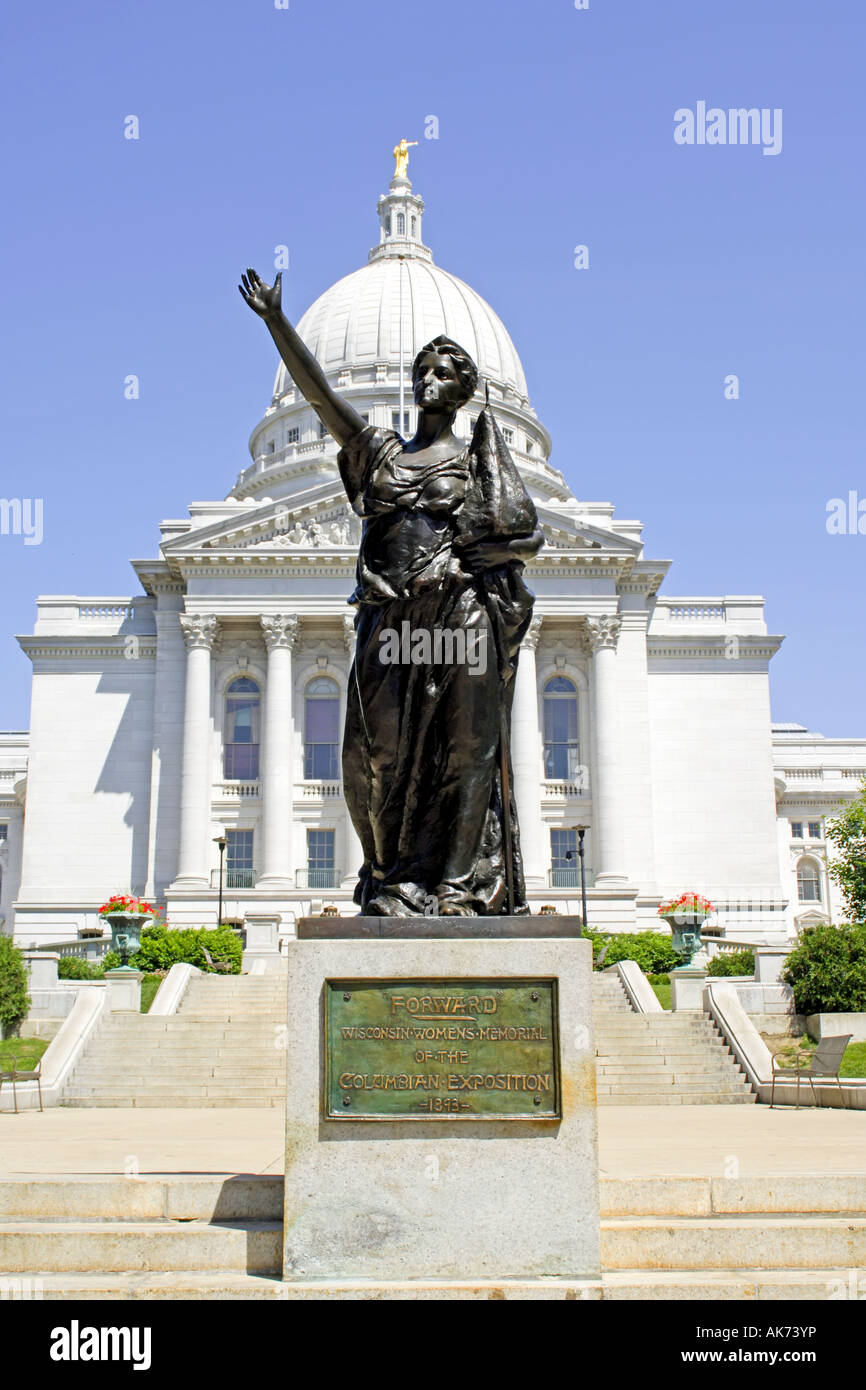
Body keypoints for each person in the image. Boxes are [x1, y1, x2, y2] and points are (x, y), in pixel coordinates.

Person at [239, 268, 543, 915]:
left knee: (467, 753)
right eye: (422, 368)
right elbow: (321, 399)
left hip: (459, 617)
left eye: (445, 370)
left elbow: (524, 534)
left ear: (465, 391)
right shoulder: (379, 454)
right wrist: (275, 323)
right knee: (373, 756)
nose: (429, 378)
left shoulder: (476, 462)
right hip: (394, 623)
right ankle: (392, 876)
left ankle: (457, 886)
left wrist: (479, 558)